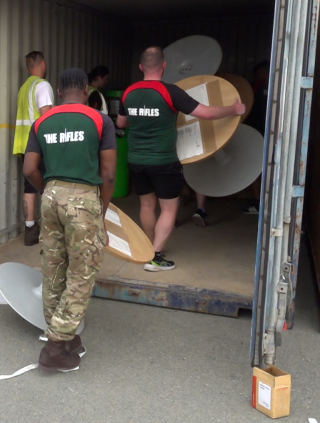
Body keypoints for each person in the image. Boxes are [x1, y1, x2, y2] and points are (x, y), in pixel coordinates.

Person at [117, 46, 245, 272]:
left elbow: (121, 123)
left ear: (140, 67)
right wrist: (233, 108)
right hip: (164, 161)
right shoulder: (170, 92)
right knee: (168, 208)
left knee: (147, 204)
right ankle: (155, 257)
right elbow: (206, 113)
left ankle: (150, 247)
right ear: (163, 66)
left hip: (136, 159)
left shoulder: (128, 92)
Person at [23, 68, 116, 372]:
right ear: (87, 91)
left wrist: (49, 191)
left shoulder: (42, 122)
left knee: (53, 267)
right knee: (82, 271)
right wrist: (100, 212)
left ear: (59, 93)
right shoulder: (100, 120)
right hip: (84, 199)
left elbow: (29, 169)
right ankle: (54, 346)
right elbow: (109, 173)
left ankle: (64, 336)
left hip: (49, 197)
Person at [13, 51, 54, 246]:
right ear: (43, 63)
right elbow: (46, 116)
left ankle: (30, 229)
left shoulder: (24, 88)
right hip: (40, 143)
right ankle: (51, 228)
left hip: (23, 144)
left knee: (30, 186)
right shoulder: (42, 85)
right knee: (48, 186)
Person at [241, 60, 270, 215]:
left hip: (254, 133)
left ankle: (258, 202)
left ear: (261, 73)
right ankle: (272, 203)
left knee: (253, 168)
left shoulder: (254, 87)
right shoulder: (278, 87)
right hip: (273, 134)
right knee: (272, 167)